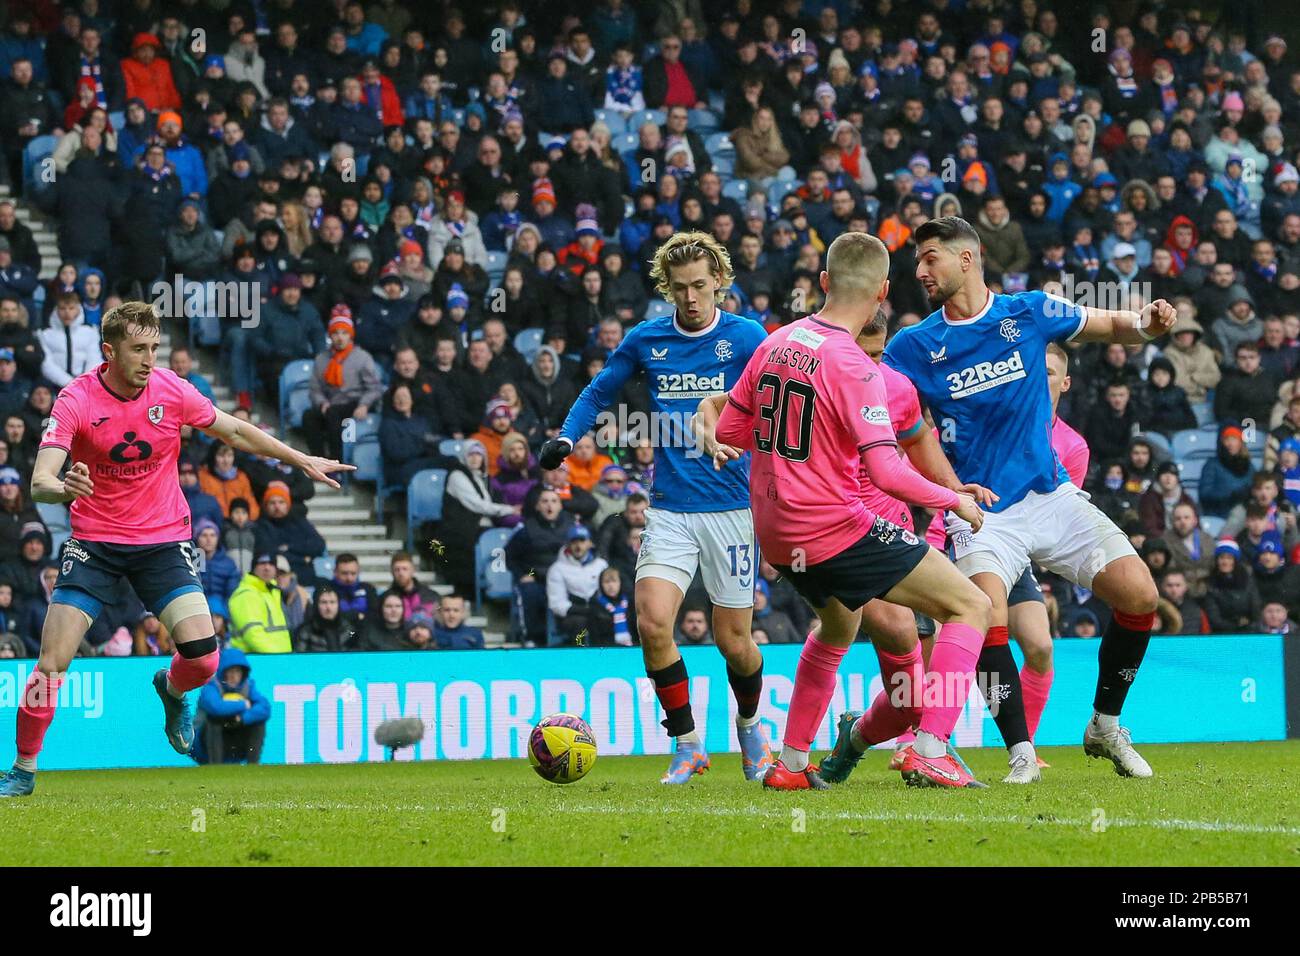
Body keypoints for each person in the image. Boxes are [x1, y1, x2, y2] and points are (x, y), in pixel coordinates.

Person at [1, 302, 350, 798]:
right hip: (95, 543)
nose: (148, 359)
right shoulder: (75, 399)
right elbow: (39, 482)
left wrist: (299, 458)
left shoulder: (170, 389)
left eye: (154, 348)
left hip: (163, 538)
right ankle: (23, 769)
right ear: (109, 350)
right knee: (51, 665)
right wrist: (66, 488)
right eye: (138, 349)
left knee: (204, 660)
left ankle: (172, 689)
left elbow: (232, 429)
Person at [881, 216, 1175, 780]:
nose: (920, 271)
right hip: (982, 510)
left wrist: (1148, 323)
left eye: (931, 258)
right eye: (917, 261)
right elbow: (884, 408)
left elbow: (1109, 323)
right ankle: (1019, 752)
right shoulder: (913, 346)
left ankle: (1106, 726)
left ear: (968, 258)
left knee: (1140, 596)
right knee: (985, 616)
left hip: (1051, 495)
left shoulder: (1029, 311)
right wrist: (947, 489)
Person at [699, 231, 991, 790]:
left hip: (778, 537)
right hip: (834, 528)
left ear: (825, 283)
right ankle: (930, 749)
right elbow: (887, 473)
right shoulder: (855, 368)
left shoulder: (775, 341)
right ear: (883, 292)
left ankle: (789, 766)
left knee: (839, 620)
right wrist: (953, 498)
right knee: (971, 605)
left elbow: (732, 431)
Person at [537, 231, 774, 784]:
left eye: (700, 285)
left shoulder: (747, 338)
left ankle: (751, 726)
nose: (691, 298)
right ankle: (688, 743)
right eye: (680, 288)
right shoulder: (647, 340)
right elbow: (599, 392)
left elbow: (775, 403)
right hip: (669, 508)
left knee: (735, 643)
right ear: (667, 288)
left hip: (733, 508)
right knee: (652, 622)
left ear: (719, 281)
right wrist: (569, 439)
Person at [303, 306, 383, 461]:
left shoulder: (362, 357)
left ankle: (336, 461)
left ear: (350, 335)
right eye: (336, 333)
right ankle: (319, 460)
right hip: (331, 403)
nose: (340, 338)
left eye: (344, 333)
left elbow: (374, 388)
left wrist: (364, 404)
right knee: (309, 416)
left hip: (354, 403)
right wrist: (322, 402)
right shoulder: (322, 359)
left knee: (334, 415)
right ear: (330, 335)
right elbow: (314, 388)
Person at [191, 647, 270, 765]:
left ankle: (253, 765)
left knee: (258, 722)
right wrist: (243, 704)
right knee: (213, 719)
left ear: (243, 673)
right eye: (230, 671)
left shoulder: (247, 686)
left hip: (234, 740)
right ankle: (215, 767)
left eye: (237, 671)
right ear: (223, 672)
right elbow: (216, 707)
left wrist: (242, 719)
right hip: (203, 746)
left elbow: (265, 708)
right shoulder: (211, 687)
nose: (234, 676)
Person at [228, 553, 292, 654]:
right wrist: (278, 656)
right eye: (262, 563)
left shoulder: (273, 591)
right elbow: (253, 635)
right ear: (254, 567)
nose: (267, 567)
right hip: (256, 660)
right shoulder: (246, 594)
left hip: (279, 658)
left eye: (271, 564)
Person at [294, 584, 361, 652]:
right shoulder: (306, 631)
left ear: (338, 604)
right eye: (323, 602)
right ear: (316, 605)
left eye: (332, 602)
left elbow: (358, 656)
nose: (328, 607)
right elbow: (299, 659)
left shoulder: (349, 629)